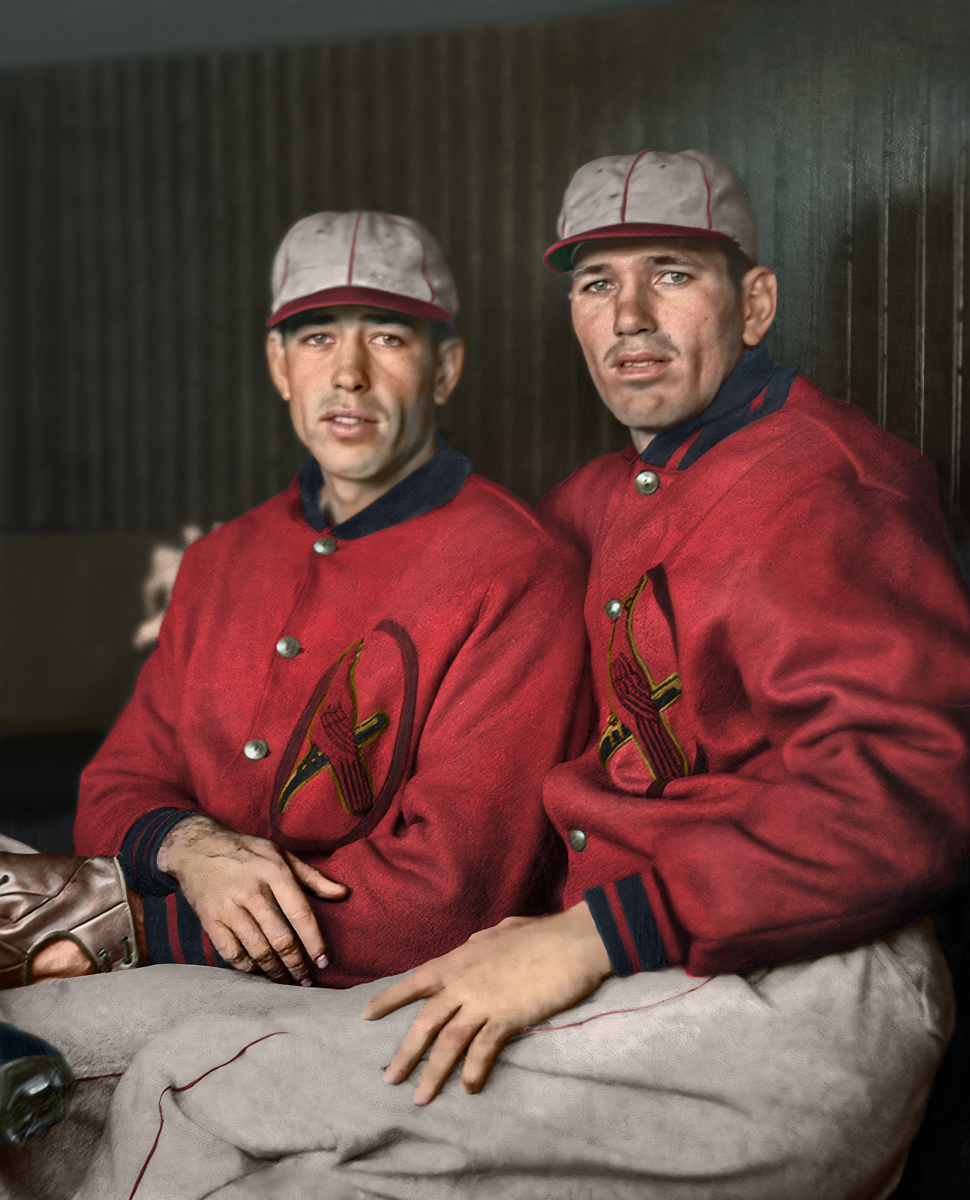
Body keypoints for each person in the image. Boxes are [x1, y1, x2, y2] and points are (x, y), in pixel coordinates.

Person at [51, 153, 970, 1200]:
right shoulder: (591, 502)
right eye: (594, 284)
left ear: (754, 303)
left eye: (669, 273)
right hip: (623, 966)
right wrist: (182, 851)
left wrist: (587, 935)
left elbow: (908, 791)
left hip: (798, 981)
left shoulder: (833, 481)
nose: (627, 316)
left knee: (191, 1089)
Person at [2, 210, 587, 994]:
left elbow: (448, 900)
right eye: (316, 338)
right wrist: (191, 845)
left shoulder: (522, 571)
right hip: (161, 953)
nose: (348, 374)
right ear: (280, 366)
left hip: (352, 994)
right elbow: (113, 791)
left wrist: (136, 930)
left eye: (387, 336)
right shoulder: (220, 559)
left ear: (445, 369)